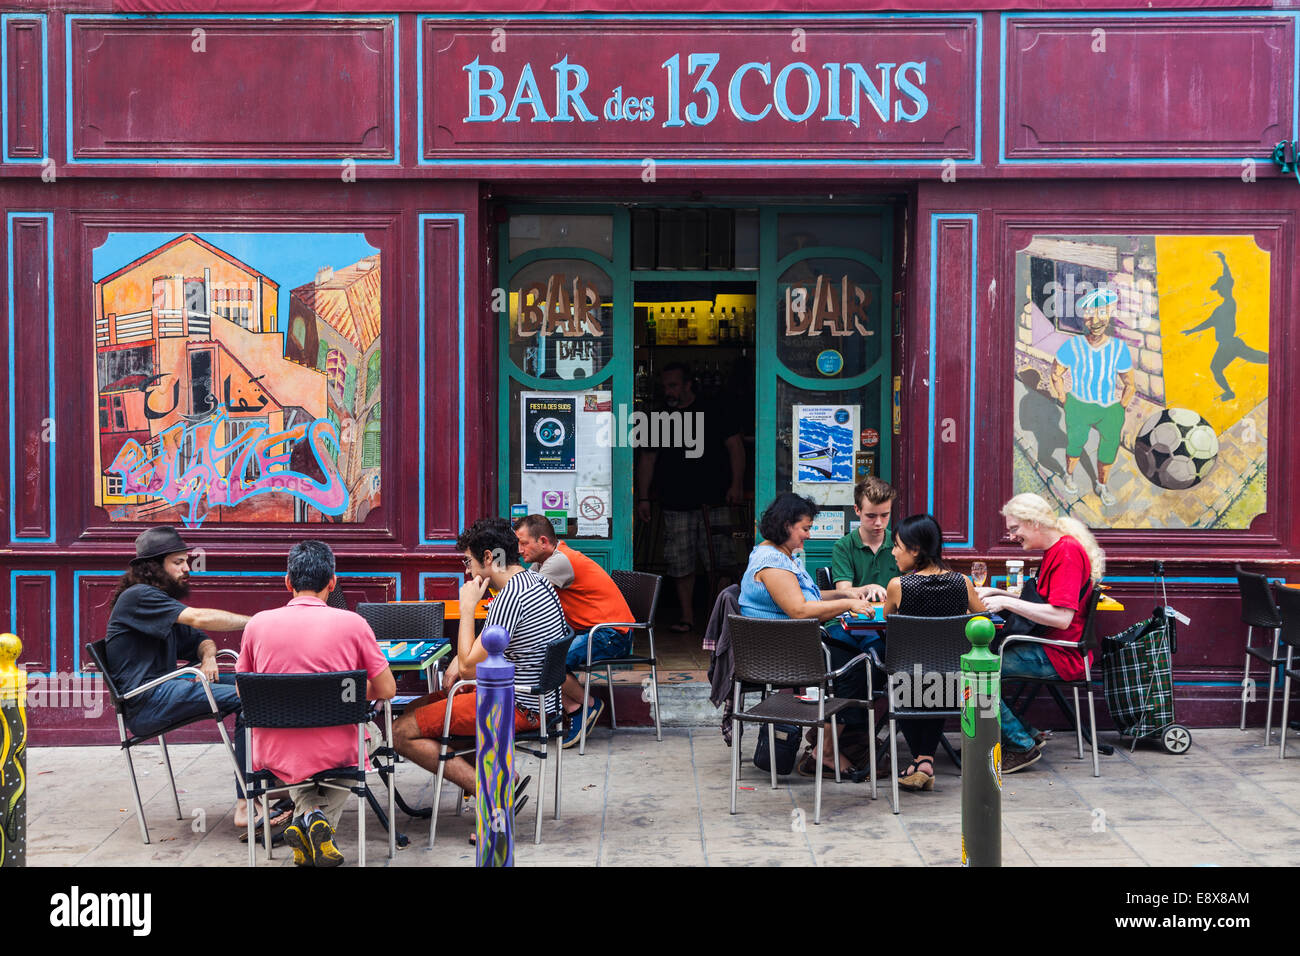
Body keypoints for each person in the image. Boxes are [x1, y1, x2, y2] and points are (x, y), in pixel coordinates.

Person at [235, 540, 396, 867]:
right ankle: (317, 824)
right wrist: (339, 694)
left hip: (274, 748)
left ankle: (306, 815)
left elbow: (244, 692)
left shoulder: (257, 624)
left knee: (298, 752)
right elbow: (387, 689)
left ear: (288, 582)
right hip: (337, 745)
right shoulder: (353, 623)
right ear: (332, 582)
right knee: (369, 740)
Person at [392, 518, 566, 807]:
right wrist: (461, 658)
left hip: (518, 703)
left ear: (488, 557)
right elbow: (482, 649)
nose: (467, 570)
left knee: (401, 732)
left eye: (468, 561)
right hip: (539, 699)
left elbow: (468, 669)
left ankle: (494, 796)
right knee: (415, 709)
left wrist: (467, 609)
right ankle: (500, 778)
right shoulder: (535, 582)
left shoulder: (509, 598)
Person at [103, 526, 263, 835]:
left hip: (169, 690)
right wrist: (260, 622)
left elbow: (202, 638)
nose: (187, 569)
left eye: (186, 561)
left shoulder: (159, 603)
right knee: (252, 700)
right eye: (178, 562)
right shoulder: (139, 597)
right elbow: (201, 619)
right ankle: (247, 805)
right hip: (147, 703)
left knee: (259, 688)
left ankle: (273, 786)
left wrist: (208, 657)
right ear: (154, 567)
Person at [738, 493, 874, 778]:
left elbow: (807, 597)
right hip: (784, 654)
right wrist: (848, 604)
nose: (808, 535)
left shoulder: (780, 555)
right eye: (805, 528)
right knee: (862, 666)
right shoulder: (772, 564)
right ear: (786, 525)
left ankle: (834, 742)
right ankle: (826, 751)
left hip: (793, 646)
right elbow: (800, 610)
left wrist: (846, 593)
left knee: (864, 656)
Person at [977, 493, 1105, 773]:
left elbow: (1061, 618)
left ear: (1034, 523)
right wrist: (997, 592)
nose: (1012, 536)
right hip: (1052, 648)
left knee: (975, 675)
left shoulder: (1067, 553)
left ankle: (1020, 745)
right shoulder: (1057, 550)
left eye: (1014, 529)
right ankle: (1029, 734)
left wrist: (1006, 601)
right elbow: (1044, 603)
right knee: (979, 670)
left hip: (1059, 654)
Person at [636, 362, 746, 632]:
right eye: (665, 386)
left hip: (716, 498)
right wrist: (643, 498)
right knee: (680, 562)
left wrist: (736, 485)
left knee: (720, 563)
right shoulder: (659, 416)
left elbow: (736, 448)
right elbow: (647, 460)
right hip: (675, 500)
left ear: (688, 384)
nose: (668, 391)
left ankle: (719, 618)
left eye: (673, 385)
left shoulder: (714, 409)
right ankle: (687, 617)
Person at [882, 514, 986, 792]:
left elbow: (887, 620)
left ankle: (921, 762)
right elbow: (983, 617)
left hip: (906, 683)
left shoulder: (898, 586)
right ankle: (924, 761)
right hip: (951, 683)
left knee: (908, 673)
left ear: (915, 550)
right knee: (938, 671)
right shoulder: (963, 582)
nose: (893, 552)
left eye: (897, 546)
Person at [514, 514, 635, 747]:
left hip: (611, 634)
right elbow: (522, 588)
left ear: (542, 541)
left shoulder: (559, 561)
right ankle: (575, 708)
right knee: (541, 657)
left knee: (547, 661)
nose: (519, 549)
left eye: (523, 543)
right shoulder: (542, 561)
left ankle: (588, 705)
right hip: (591, 632)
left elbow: (526, 599)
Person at [1048, 287, 1135, 506]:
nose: (1096, 320)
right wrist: (1063, 397)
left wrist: (1119, 408)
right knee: (1075, 444)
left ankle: (1102, 486)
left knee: (1108, 450)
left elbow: (1130, 384)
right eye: (1090, 315)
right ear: (1084, 318)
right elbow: (1056, 372)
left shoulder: (1119, 348)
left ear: (1109, 315)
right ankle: (1069, 475)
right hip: (1079, 404)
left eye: (1102, 313)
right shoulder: (1072, 346)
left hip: (1109, 410)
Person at [829, 476, 900, 601]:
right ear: (857, 509)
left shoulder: (900, 543)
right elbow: (843, 591)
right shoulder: (844, 546)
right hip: (855, 615)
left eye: (885, 515)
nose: (879, 523)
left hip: (892, 615)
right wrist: (869, 588)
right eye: (871, 516)